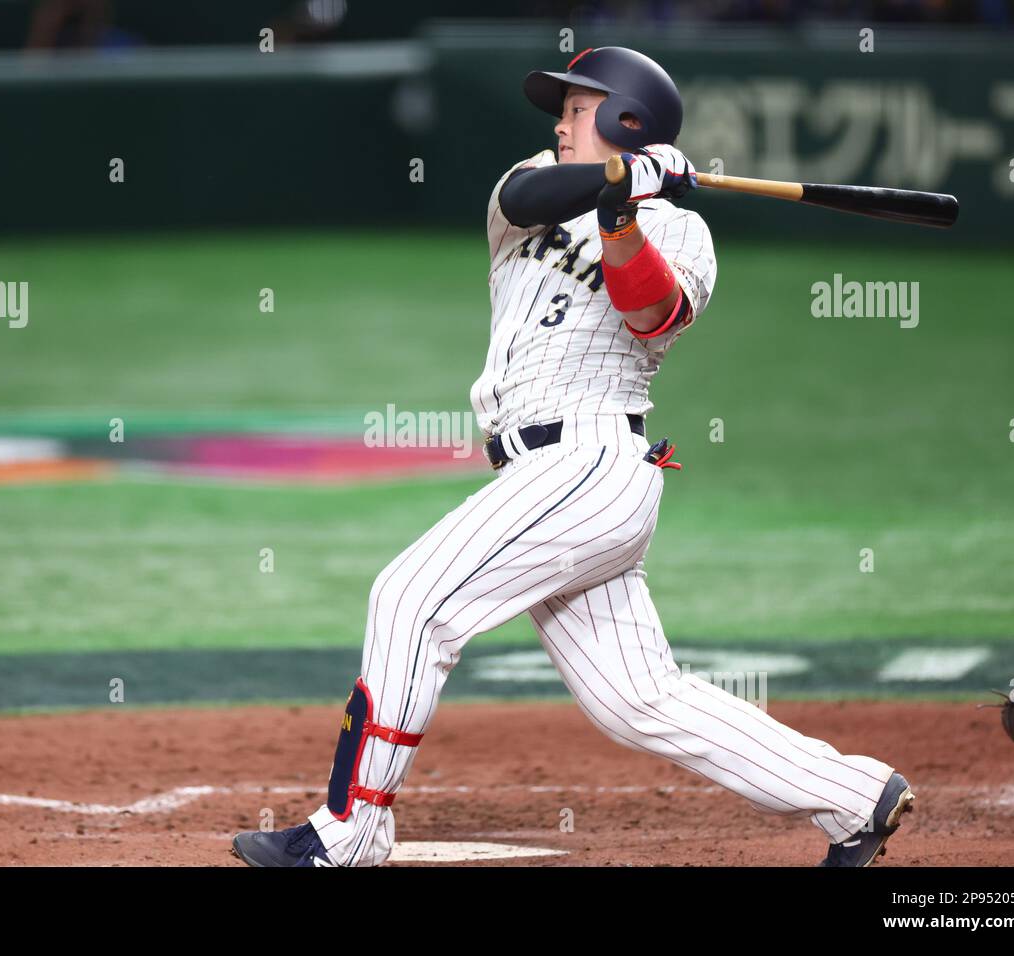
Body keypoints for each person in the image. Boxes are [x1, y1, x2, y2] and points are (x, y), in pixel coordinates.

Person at [231, 46, 913, 868]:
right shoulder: (530, 189)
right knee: (640, 700)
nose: (558, 122)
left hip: (590, 465)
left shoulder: (683, 231)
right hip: (539, 476)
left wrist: (628, 214)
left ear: (628, 120)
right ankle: (855, 797)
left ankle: (349, 836)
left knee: (410, 599)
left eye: (578, 109)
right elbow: (524, 193)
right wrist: (622, 181)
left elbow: (652, 314)